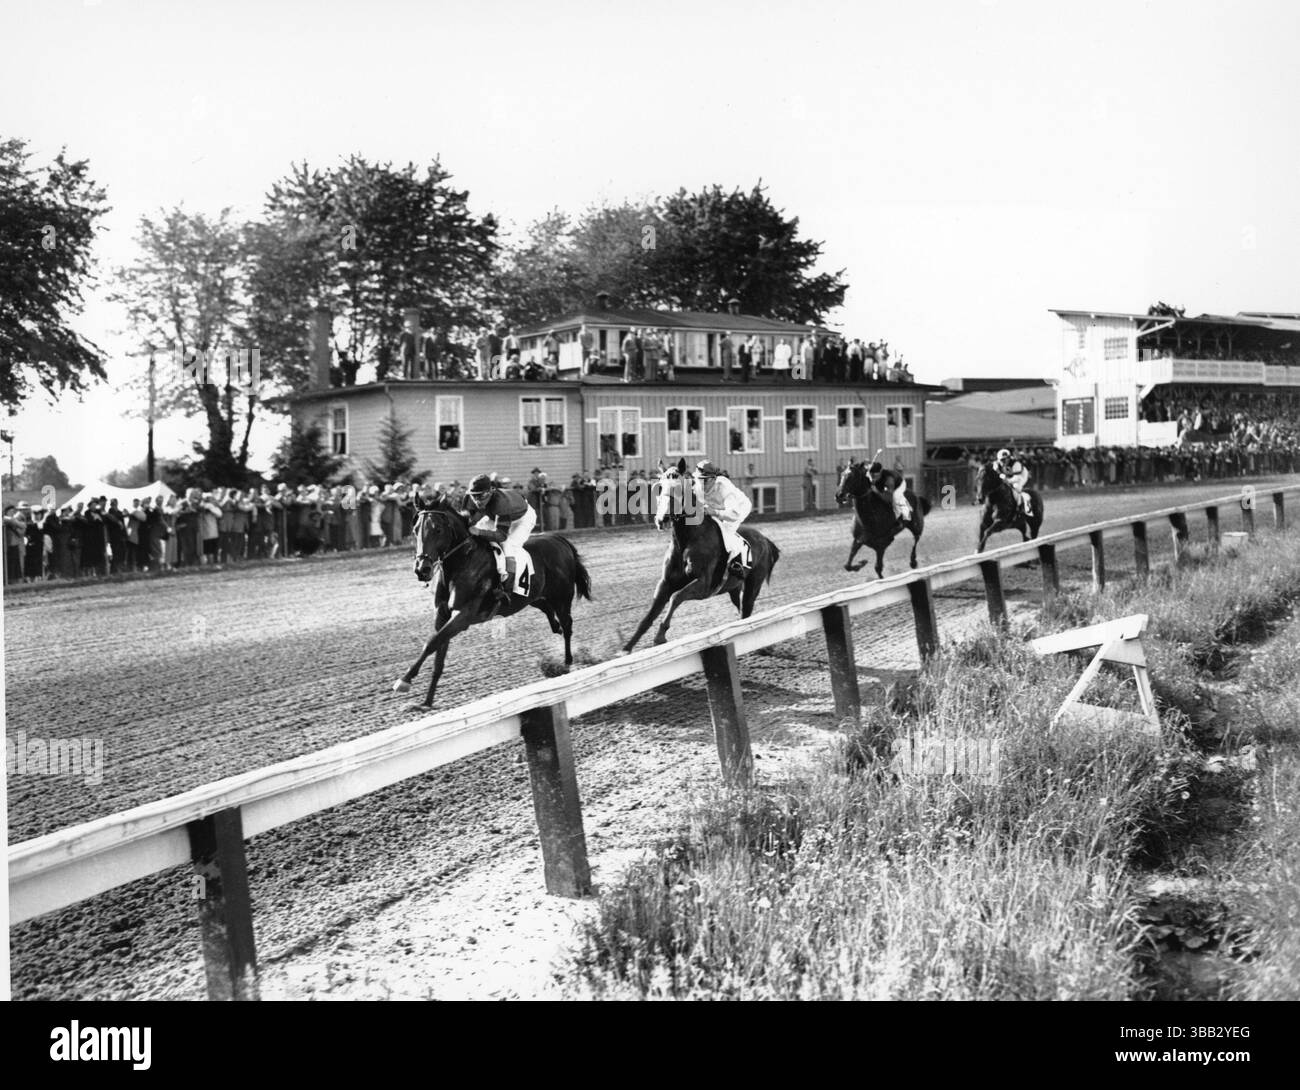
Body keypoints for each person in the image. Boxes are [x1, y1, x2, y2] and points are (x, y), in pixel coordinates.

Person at [462, 471, 537, 606]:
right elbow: (469, 521)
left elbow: (502, 536)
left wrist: (478, 532)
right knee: (476, 531)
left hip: (522, 519)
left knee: (509, 546)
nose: (478, 500)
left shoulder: (502, 503)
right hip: (495, 516)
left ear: (490, 492)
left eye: (482, 496)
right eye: (475, 496)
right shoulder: (469, 498)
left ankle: (507, 590)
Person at [691, 460, 753, 575]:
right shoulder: (696, 486)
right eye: (699, 479)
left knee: (725, 532)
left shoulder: (725, 488)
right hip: (716, 507)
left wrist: (714, 512)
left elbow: (734, 515)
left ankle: (736, 562)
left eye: (705, 480)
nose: (702, 483)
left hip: (738, 508)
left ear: (714, 478)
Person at [866, 449, 911, 528]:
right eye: (872, 476)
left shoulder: (888, 479)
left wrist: (877, 491)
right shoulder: (872, 477)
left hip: (899, 484)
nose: (873, 479)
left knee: (896, 497)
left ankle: (903, 516)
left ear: (880, 472)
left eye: (875, 476)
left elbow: (888, 498)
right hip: (886, 485)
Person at [995, 447, 1033, 516]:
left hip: (1021, 476)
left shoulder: (1016, 464)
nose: (1004, 461)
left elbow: (1017, 478)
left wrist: (1007, 480)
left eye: (1006, 459)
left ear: (1009, 458)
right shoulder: (996, 465)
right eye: (1002, 460)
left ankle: (1020, 507)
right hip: (1009, 476)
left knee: (1016, 487)